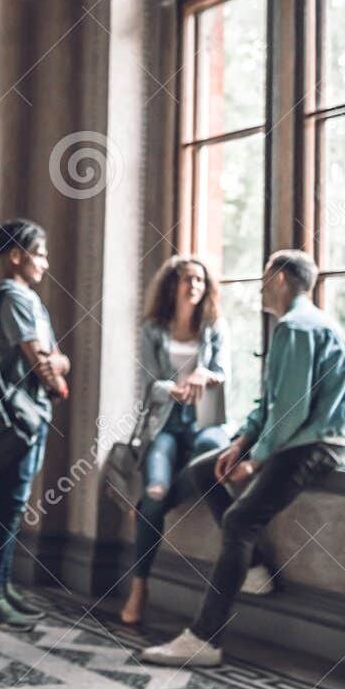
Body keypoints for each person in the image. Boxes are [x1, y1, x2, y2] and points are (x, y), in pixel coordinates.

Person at [139, 249, 345, 667]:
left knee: (241, 519)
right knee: (203, 471)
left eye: (264, 277)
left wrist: (256, 459)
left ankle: (204, 639)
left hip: (316, 445)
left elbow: (292, 411)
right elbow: (272, 403)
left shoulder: (297, 327)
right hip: (295, 438)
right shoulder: (291, 327)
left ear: (279, 279)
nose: (260, 285)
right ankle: (254, 567)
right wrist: (240, 443)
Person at [119, 255, 258, 626]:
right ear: (172, 285)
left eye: (200, 280)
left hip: (206, 421)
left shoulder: (215, 326)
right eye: (187, 279)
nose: (194, 286)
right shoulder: (152, 329)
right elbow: (147, 384)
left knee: (206, 461)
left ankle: (241, 545)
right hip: (165, 421)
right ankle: (139, 587)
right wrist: (175, 389)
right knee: (156, 494)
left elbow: (224, 372)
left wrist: (204, 376)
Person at [0, 219, 68, 631]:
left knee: (11, 504)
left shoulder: (24, 298)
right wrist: (59, 374)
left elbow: (53, 355)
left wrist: (57, 362)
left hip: (24, 412)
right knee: (8, 505)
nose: (45, 262)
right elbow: (44, 363)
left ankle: (1, 588)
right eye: (38, 253)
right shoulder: (14, 298)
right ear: (16, 256)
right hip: (21, 415)